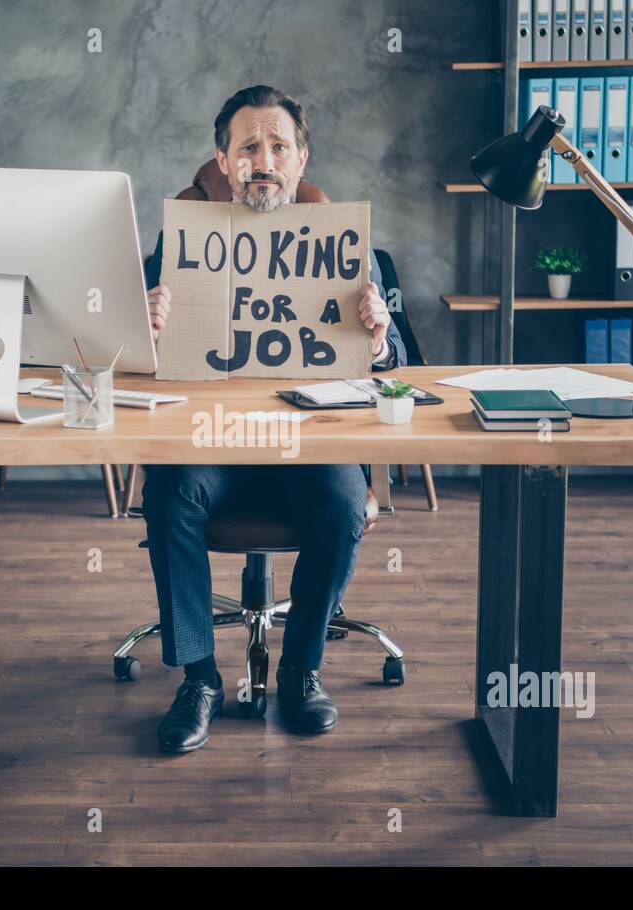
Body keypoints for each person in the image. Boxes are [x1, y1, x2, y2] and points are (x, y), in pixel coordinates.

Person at [142, 85, 406, 753]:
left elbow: (396, 358)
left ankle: (300, 671)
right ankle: (198, 679)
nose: (265, 160)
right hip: (211, 443)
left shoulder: (344, 247)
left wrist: (376, 335)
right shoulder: (177, 247)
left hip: (309, 445)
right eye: (249, 147)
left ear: (301, 158)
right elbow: (123, 356)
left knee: (347, 503)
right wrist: (141, 329)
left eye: (279, 147)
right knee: (170, 494)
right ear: (223, 160)